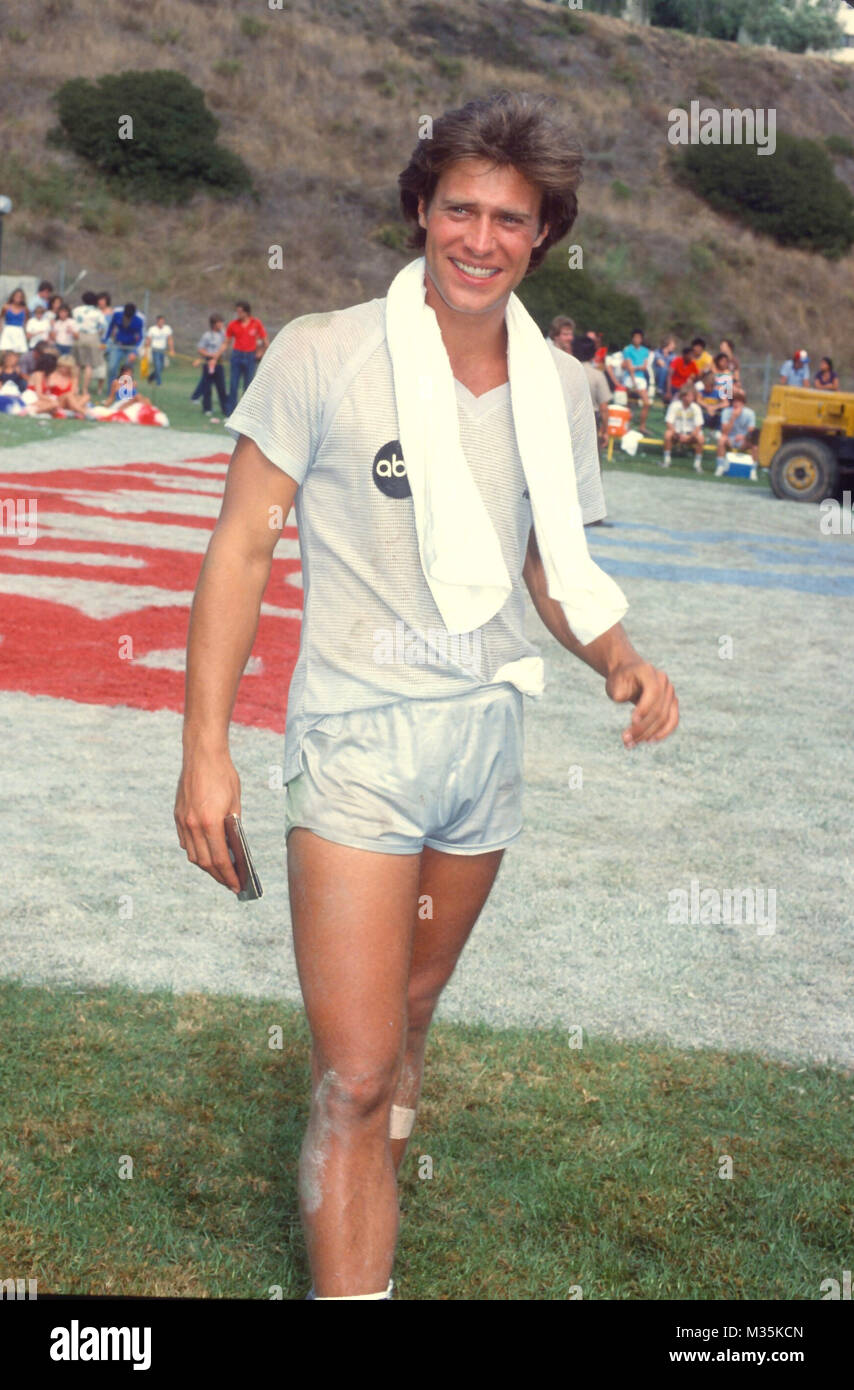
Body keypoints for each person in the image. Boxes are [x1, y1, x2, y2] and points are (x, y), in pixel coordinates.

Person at [173, 90, 679, 1303]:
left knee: (407, 1011)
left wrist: (617, 650)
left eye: (511, 218)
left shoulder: (562, 389)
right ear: (418, 208)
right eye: (461, 207)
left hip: (486, 741)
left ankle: (374, 1160)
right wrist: (204, 751)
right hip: (355, 737)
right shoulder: (320, 351)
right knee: (353, 1070)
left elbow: (547, 565)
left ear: (541, 234)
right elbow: (241, 546)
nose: (481, 238)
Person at [225, 300, 268, 411]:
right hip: (237, 355)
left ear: (246, 312)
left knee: (248, 385)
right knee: (233, 384)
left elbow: (265, 341)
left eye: (240, 312)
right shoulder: (233, 324)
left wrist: (261, 352)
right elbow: (226, 342)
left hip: (250, 356)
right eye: (237, 311)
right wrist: (216, 356)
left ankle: (245, 411)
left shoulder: (256, 323)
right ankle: (230, 412)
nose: (238, 314)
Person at [573, 331, 610, 450]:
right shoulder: (597, 375)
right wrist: (605, 431)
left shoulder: (566, 372)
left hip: (569, 418)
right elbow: (604, 408)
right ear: (594, 353)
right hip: (591, 421)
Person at [28, 351, 91, 418]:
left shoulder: (73, 377)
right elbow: (45, 391)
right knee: (69, 395)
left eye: (66, 367)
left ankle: (75, 410)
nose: (63, 369)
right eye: (61, 367)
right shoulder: (52, 375)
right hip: (58, 399)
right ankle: (85, 412)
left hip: (69, 400)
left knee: (86, 396)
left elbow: (73, 392)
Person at [192, 314, 229, 420]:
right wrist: (210, 355)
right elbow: (200, 349)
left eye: (222, 322)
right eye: (219, 322)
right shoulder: (207, 335)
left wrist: (217, 357)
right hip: (208, 363)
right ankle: (207, 409)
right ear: (213, 324)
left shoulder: (224, 334)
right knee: (207, 387)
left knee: (221, 388)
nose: (221, 324)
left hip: (219, 363)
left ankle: (226, 409)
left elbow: (227, 340)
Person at [72, 291, 108, 397]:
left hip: (79, 336)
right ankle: (85, 390)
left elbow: (72, 322)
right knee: (89, 365)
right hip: (92, 337)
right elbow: (103, 326)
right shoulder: (98, 312)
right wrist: (100, 335)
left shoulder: (76, 310)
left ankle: (76, 388)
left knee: (78, 364)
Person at [663, 384, 705, 471]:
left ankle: (697, 464)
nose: (689, 398)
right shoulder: (674, 405)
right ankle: (667, 460)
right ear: (683, 396)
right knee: (668, 434)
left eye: (692, 396)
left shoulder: (696, 408)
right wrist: (677, 434)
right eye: (688, 395)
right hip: (676, 433)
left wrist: (689, 437)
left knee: (701, 438)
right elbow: (669, 422)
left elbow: (698, 426)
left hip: (691, 434)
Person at [716, 387, 760, 466]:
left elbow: (751, 430)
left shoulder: (750, 413)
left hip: (744, 441)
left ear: (743, 403)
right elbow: (724, 432)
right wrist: (733, 418)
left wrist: (743, 436)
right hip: (730, 439)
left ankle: (753, 468)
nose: (736, 404)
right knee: (721, 440)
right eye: (734, 401)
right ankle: (720, 466)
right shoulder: (726, 412)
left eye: (739, 401)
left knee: (755, 445)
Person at [104, 301, 145, 386]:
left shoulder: (140, 319)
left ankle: (125, 392)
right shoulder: (117, 314)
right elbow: (110, 327)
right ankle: (111, 391)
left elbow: (141, 337)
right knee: (112, 367)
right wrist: (105, 340)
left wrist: (135, 352)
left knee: (128, 371)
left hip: (131, 346)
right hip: (117, 344)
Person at [620, 327, 652, 430]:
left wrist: (635, 367)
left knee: (646, 403)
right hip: (630, 378)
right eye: (635, 337)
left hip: (641, 379)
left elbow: (644, 367)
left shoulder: (645, 351)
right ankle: (626, 426)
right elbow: (629, 367)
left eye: (639, 337)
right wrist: (634, 383)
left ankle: (642, 426)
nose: (637, 339)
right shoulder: (628, 349)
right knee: (629, 403)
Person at [145, 314, 175, 386]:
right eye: (160, 321)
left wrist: (172, 350)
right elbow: (148, 340)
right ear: (157, 321)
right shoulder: (152, 329)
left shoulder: (167, 328)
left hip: (163, 350)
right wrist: (146, 350)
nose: (162, 323)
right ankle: (159, 383)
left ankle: (150, 378)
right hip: (155, 350)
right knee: (157, 366)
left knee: (161, 368)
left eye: (163, 321)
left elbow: (170, 339)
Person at [0, 287, 29, 354]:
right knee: (5, 352)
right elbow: (1, 317)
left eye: (20, 297)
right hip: (8, 330)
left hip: (19, 331)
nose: (18, 298)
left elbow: (26, 321)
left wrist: (25, 332)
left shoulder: (25, 309)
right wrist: (1, 327)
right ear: (13, 296)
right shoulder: (6, 307)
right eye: (16, 296)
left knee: (19, 352)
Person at [652, 335, 676, 403]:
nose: (674, 346)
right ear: (667, 344)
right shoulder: (657, 352)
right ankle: (660, 388)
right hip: (657, 372)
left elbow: (674, 366)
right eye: (672, 344)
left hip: (668, 374)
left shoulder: (673, 355)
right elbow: (661, 363)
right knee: (664, 369)